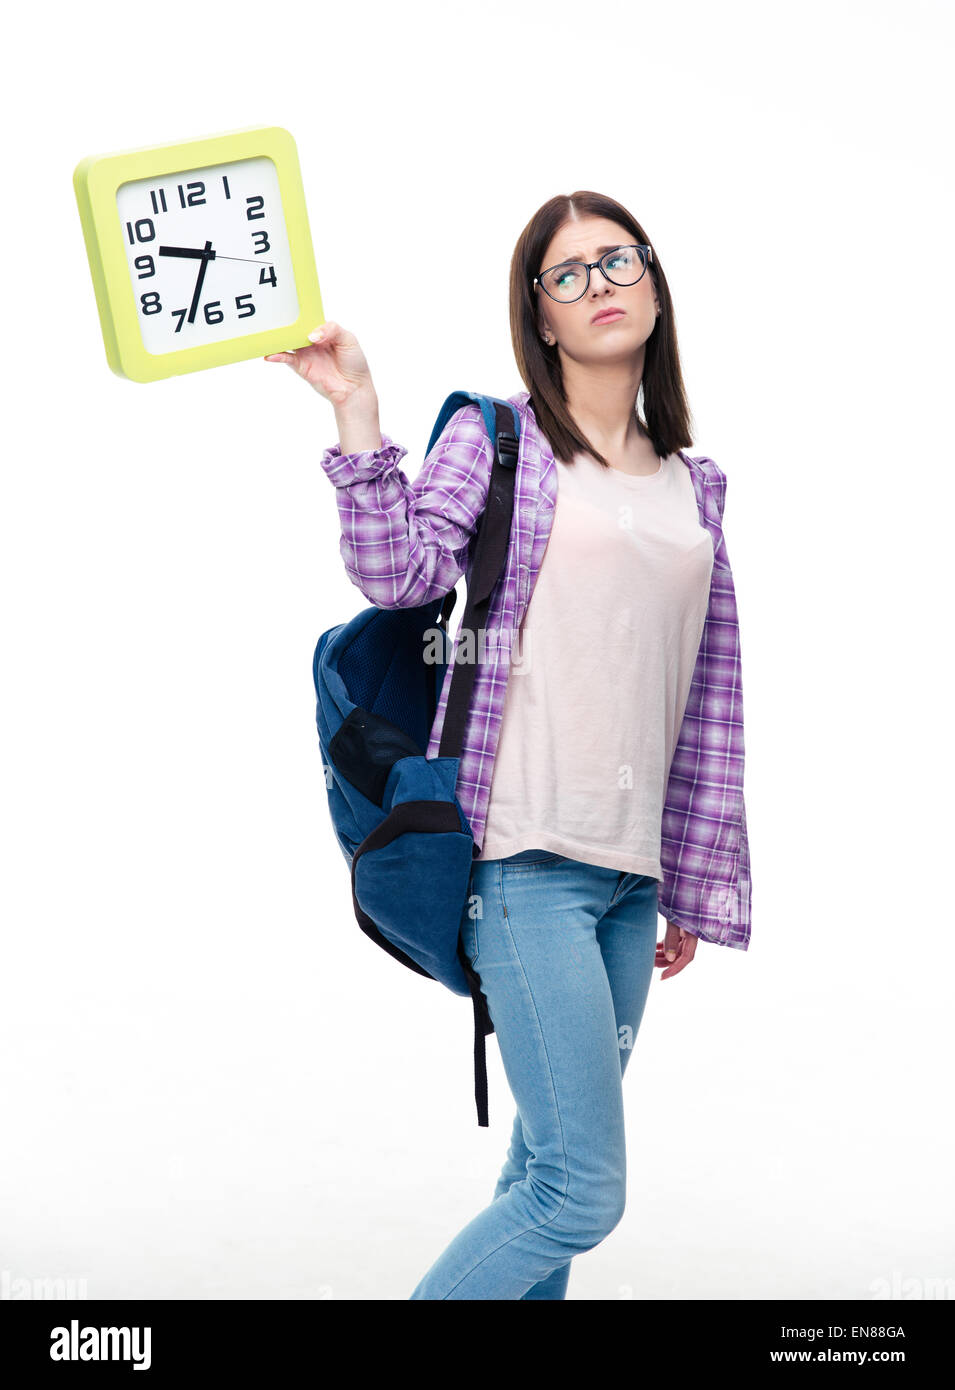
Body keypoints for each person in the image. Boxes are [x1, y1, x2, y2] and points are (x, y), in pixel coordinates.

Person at [265, 190, 751, 1299]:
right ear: (539, 316)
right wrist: (355, 410)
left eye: (616, 261)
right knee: (579, 1191)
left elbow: (699, 692)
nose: (598, 285)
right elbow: (398, 575)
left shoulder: (694, 486)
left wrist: (688, 870)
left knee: (540, 1165)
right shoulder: (499, 441)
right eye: (566, 273)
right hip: (524, 863)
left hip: (627, 878)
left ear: (654, 283)